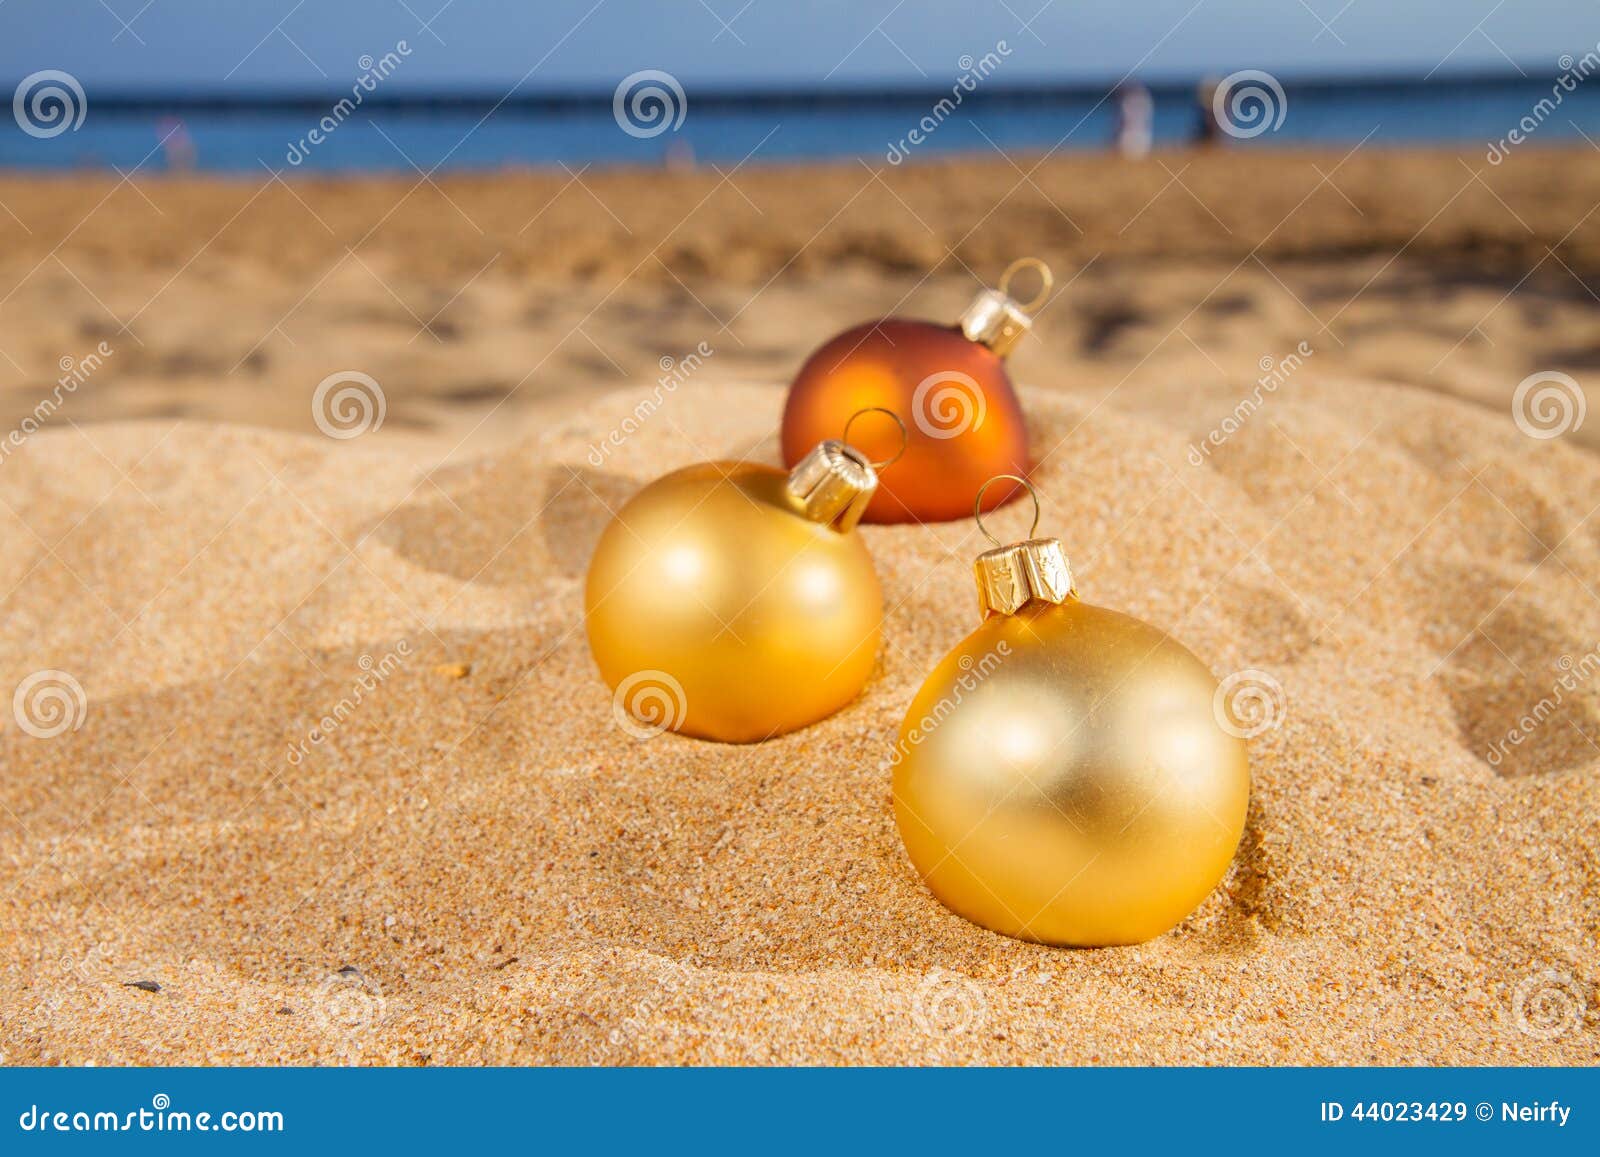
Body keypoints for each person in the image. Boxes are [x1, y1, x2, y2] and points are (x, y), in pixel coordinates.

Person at [1112, 81, 1153, 158]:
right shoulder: (1146, 101)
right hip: (1144, 141)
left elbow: (1124, 123)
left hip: (1129, 141)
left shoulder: (1127, 102)